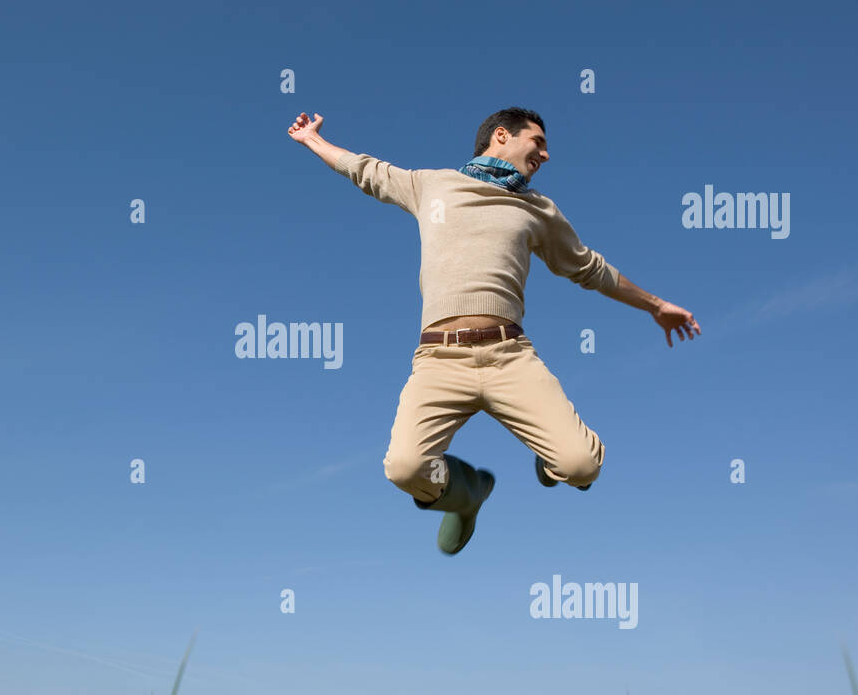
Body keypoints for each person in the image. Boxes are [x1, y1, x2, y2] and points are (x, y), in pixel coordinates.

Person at [288, 107, 701, 555]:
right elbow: (367, 171)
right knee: (405, 469)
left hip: (509, 356)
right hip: (439, 360)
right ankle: (467, 493)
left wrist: (657, 305)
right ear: (501, 136)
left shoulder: (538, 209)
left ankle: (549, 460)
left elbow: (589, 267)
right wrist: (313, 140)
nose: (545, 154)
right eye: (537, 142)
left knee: (581, 465)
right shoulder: (433, 185)